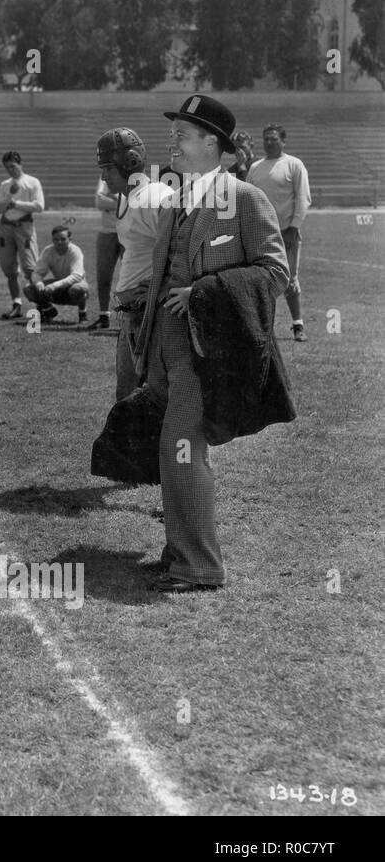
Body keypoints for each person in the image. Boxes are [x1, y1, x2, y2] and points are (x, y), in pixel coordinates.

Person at [134, 95, 289, 593]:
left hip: (212, 352)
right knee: (172, 452)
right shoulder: (177, 198)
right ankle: (179, 549)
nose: (171, 144)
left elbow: (275, 272)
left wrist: (204, 293)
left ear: (213, 145)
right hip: (167, 349)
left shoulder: (245, 198)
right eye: (173, 134)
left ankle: (200, 566)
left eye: (182, 135)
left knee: (182, 449)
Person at [95, 127, 167, 400]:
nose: (103, 176)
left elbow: (181, 249)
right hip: (131, 314)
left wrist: (153, 291)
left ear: (131, 163)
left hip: (150, 314)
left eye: (108, 169)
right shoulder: (127, 199)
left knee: (151, 394)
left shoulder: (156, 198)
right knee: (125, 392)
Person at [246, 123, 312, 342]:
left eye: (274, 138)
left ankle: (298, 325)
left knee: (290, 280)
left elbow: (303, 198)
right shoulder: (255, 168)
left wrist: (294, 227)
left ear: (283, 141)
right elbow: (247, 198)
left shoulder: (293, 164)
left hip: (287, 232)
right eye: (266, 138)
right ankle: (264, 328)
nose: (269, 142)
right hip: (260, 233)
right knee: (262, 280)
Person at [0, 150, 45, 319]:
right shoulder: (5, 185)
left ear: (20, 164)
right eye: (7, 167)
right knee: (8, 267)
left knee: (30, 267)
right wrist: (9, 195)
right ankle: (16, 303)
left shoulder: (32, 182)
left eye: (13, 166)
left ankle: (42, 304)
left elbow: (39, 206)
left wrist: (17, 203)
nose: (11, 170)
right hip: (6, 227)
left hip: (24, 226)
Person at [25, 226, 89, 324]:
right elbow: (37, 272)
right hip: (59, 283)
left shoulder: (75, 251)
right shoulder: (48, 251)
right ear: (52, 240)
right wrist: (38, 283)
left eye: (63, 239)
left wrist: (54, 286)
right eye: (56, 239)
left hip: (75, 284)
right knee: (29, 289)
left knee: (78, 289)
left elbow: (77, 276)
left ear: (70, 239)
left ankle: (82, 314)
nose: (59, 242)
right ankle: (48, 310)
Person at [90, 178, 122, 330]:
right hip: (107, 232)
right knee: (103, 276)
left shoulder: (134, 176)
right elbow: (99, 201)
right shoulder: (106, 178)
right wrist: (122, 203)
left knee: (131, 277)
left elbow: (137, 203)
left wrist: (112, 201)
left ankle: (132, 317)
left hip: (129, 232)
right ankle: (104, 315)